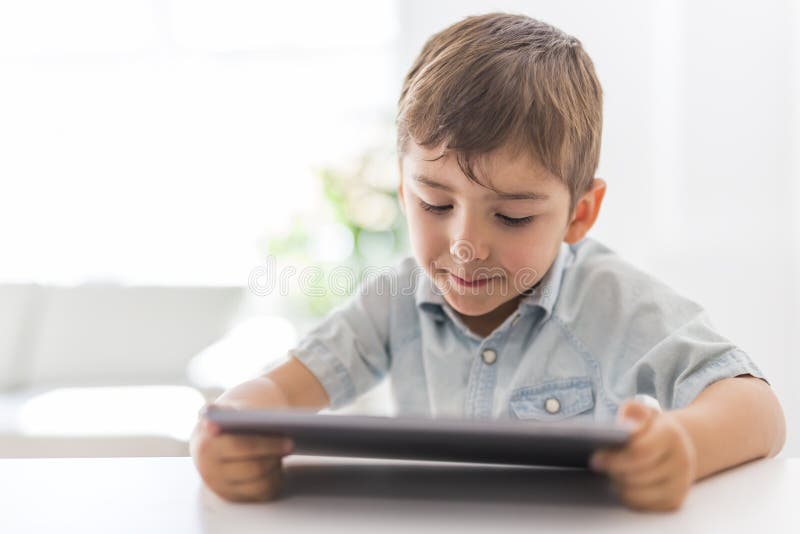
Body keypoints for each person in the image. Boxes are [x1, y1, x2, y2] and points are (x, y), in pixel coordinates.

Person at [190, 13, 785, 512]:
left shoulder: (611, 300)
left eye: (513, 216)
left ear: (579, 214)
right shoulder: (391, 303)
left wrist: (683, 444)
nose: (465, 245)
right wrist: (224, 430)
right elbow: (279, 390)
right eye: (435, 204)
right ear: (403, 189)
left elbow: (758, 410)